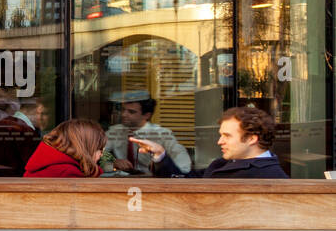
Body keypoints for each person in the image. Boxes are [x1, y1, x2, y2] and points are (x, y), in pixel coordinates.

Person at [137, 107, 288, 179]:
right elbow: (187, 182)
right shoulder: (222, 164)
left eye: (227, 136)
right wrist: (159, 154)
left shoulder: (271, 177)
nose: (219, 141)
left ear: (251, 139)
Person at [104, 91, 190, 175]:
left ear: (147, 115)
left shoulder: (162, 134)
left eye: (131, 112)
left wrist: (160, 163)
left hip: (152, 184)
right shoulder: (115, 132)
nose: (123, 114)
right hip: (120, 182)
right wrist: (112, 164)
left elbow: (184, 168)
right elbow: (95, 158)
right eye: (123, 110)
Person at [23, 119, 106, 178]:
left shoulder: (45, 166)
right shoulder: (67, 174)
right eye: (99, 149)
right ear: (84, 148)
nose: (101, 154)